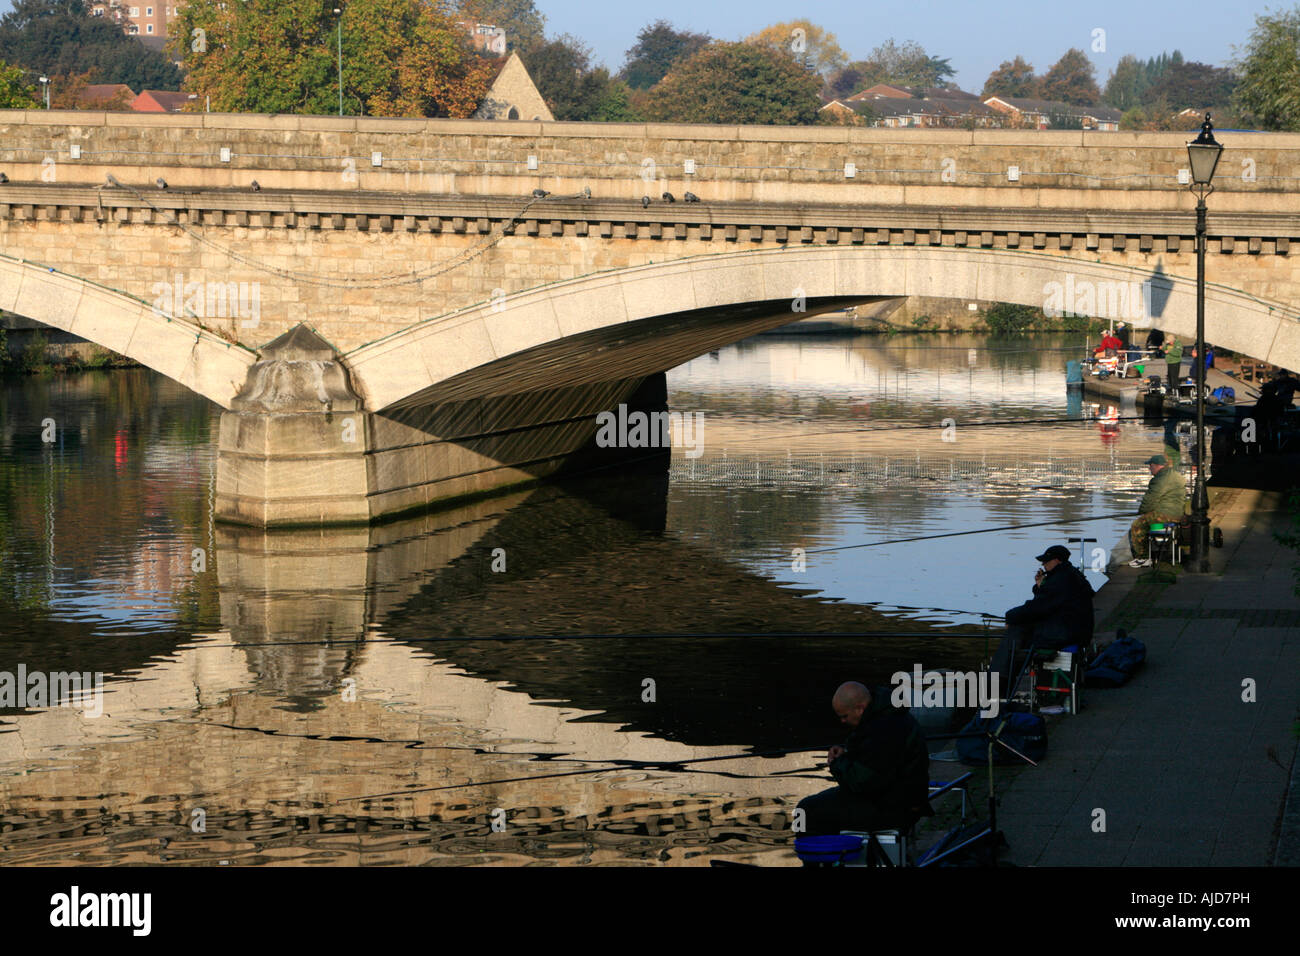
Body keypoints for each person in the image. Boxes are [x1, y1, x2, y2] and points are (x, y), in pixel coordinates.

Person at [796, 682, 932, 837]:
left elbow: (860, 782)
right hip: (892, 797)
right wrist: (845, 754)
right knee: (819, 805)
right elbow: (871, 761)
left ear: (860, 708)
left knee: (804, 811)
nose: (842, 721)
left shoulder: (884, 728)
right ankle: (832, 855)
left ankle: (820, 859)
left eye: (844, 716)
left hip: (895, 807)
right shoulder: (885, 716)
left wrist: (836, 763)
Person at [990, 545, 1095, 691]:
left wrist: (1010, 616)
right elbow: (1049, 603)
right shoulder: (1068, 574)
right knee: (1020, 630)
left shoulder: (1061, 579)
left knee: (1016, 632)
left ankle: (999, 681)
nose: (1043, 565)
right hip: (1074, 628)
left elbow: (1038, 607)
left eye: (1046, 561)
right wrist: (1041, 586)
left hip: (1066, 632)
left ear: (1057, 561)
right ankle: (1004, 678)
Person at [1128, 454, 1186, 567]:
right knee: (1151, 523)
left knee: (1137, 525)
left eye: (1150, 466)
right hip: (1178, 515)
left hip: (1166, 516)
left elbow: (1150, 499)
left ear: (1156, 466)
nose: (1149, 468)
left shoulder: (1159, 479)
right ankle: (1157, 545)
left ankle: (1143, 558)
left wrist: (1142, 511)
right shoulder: (1177, 476)